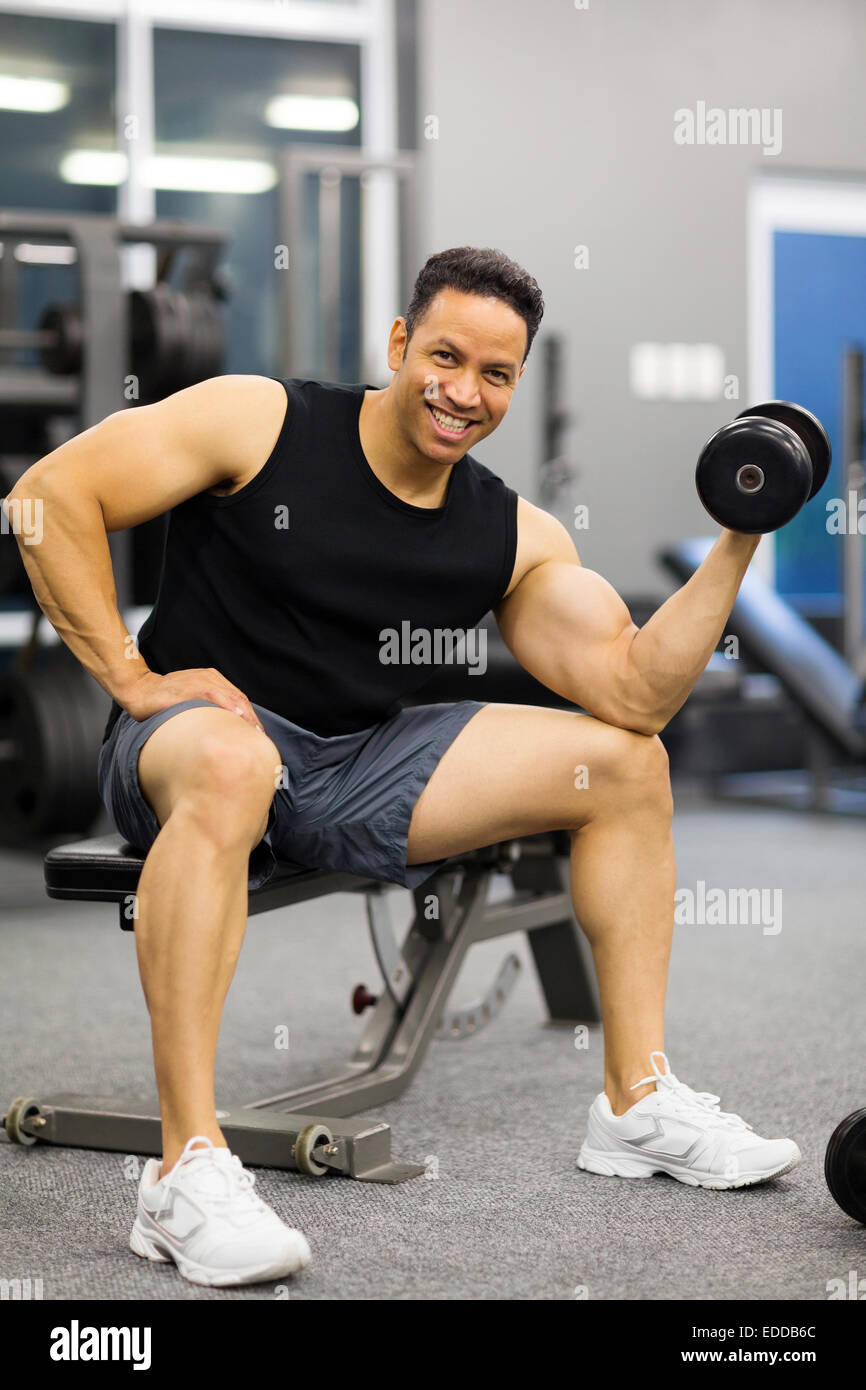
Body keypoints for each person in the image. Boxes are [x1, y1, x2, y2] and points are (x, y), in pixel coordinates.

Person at [6, 246, 799, 1289]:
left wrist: (738, 531)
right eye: (444, 356)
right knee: (236, 762)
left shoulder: (505, 531)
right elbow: (46, 496)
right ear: (397, 345)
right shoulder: (261, 421)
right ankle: (185, 1171)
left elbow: (634, 689)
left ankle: (633, 1102)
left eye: (494, 374)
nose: (462, 393)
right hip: (197, 744)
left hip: (360, 764)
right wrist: (127, 674)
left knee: (625, 765)